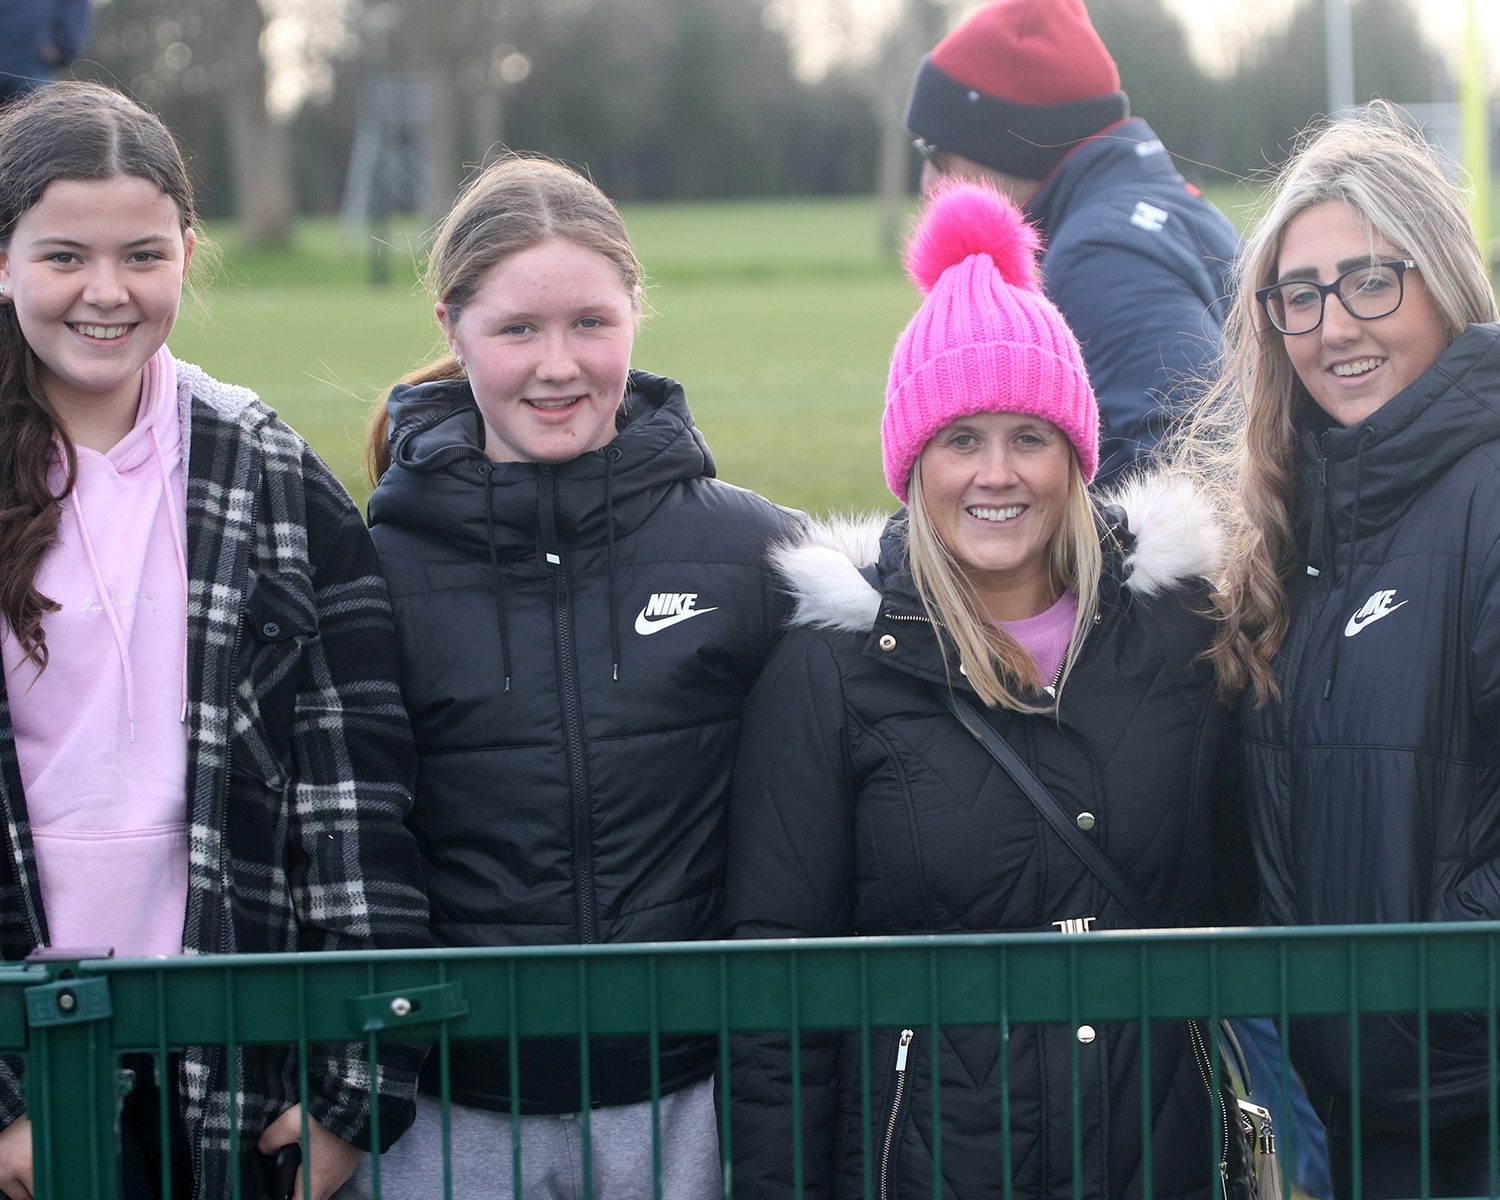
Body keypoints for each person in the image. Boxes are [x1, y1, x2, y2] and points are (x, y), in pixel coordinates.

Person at [726, 180, 1252, 1198]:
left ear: (1075, 454)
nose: (996, 474)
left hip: (1159, 1160)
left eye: (1029, 437)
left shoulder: (1181, 633)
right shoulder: (830, 667)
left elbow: (1242, 889)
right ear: (914, 462)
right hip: (929, 1170)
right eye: (961, 439)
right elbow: (773, 989)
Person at [0, 83, 429, 1200]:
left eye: (143, 254)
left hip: (232, 1050)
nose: (106, 292)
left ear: (190, 253)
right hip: (21, 1052)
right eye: (63, 257)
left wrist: (356, 1089)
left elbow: (355, 790)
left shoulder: (265, 469)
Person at [347, 155, 801, 1199]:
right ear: (452, 327)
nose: (559, 366)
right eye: (517, 330)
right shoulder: (368, 570)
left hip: (688, 1105)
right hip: (448, 1118)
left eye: (591, 322)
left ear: (638, 312)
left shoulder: (755, 557)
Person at [1197, 107, 1500, 1196]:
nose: (1335, 327)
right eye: (1302, 295)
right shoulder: (1301, 531)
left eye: (1372, 281)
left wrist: (1430, 1004)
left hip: (1472, 1110)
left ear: (1445, 285)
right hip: (1360, 1120)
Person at [905, 0, 1239, 489]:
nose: (928, 183)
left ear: (1003, 141)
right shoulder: (1157, 210)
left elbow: (1201, 475)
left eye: (935, 153)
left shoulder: (1102, 258)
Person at [0, 1, 90, 104]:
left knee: (32, 115)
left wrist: (53, 49)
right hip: (31, 76)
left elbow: (68, 43)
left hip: (30, 76)